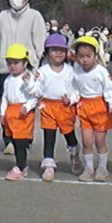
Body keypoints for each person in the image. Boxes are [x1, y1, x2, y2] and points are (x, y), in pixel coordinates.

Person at [35, 33, 82, 181]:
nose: (58, 53)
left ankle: (74, 154)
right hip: (48, 106)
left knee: (69, 134)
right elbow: (36, 88)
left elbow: (77, 90)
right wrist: (37, 98)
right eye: (54, 49)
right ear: (47, 53)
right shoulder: (42, 71)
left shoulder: (70, 71)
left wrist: (72, 99)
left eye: (61, 50)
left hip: (65, 107)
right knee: (49, 136)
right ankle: (49, 165)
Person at [71, 35, 112, 182]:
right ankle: (89, 168)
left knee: (99, 141)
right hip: (84, 107)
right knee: (86, 141)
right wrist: (71, 99)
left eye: (88, 56)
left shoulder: (101, 71)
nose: (85, 60)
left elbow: (110, 89)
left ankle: (102, 168)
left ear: (96, 56)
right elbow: (75, 90)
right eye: (81, 56)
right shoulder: (76, 72)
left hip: (100, 108)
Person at [0, 0, 48, 94]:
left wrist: (34, 63)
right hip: (4, 69)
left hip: (26, 70)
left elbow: (40, 43)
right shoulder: (3, 16)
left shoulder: (35, 16)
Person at [0, 44, 40, 180]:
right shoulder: (8, 79)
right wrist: (3, 112)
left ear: (25, 62)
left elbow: (35, 95)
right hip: (11, 110)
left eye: (16, 63)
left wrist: (27, 107)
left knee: (20, 140)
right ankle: (21, 165)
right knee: (13, 140)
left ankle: (20, 167)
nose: (12, 66)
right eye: (9, 63)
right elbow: (5, 96)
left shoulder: (28, 77)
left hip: (23, 113)